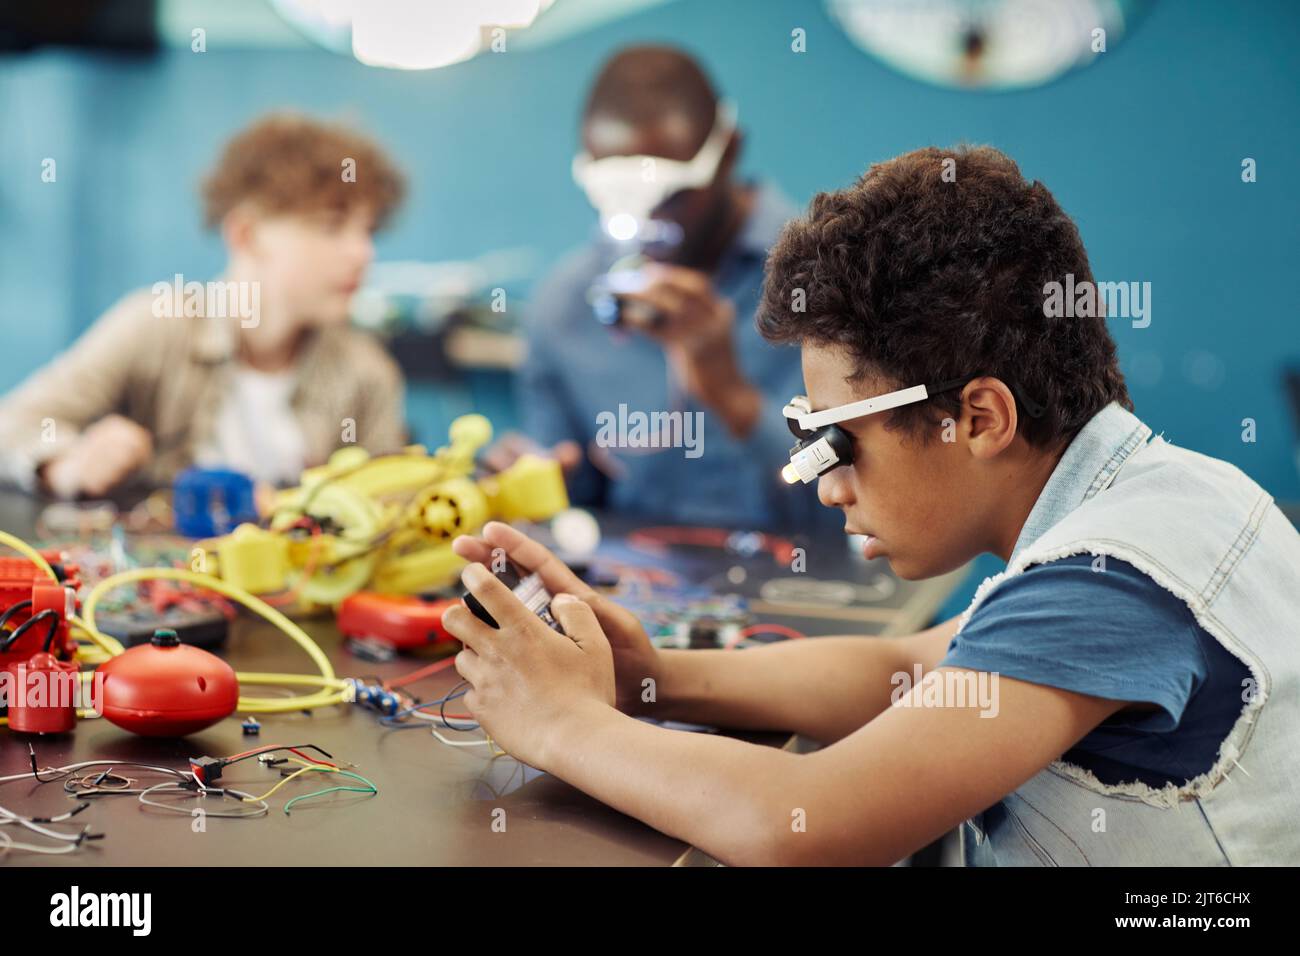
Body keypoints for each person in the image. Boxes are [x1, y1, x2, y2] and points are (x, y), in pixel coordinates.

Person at [441, 146, 1300, 865]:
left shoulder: (1110, 582)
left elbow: (802, 822)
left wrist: (561, 724)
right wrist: (655, 679)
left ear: (978, 418)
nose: (826, 484)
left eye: (837, 440)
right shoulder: (1174, 496)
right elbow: (918, 676)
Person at [0, 113, 408, 497]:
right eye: (331, 225)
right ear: (247, 234)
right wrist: (64, 464)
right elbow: (11, 423)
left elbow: (389, 510)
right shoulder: (154, 325)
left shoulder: (367, 373)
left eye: (368, 230)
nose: (363, 253)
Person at [502, 45, 826, 530]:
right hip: (638, 594)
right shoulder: (565, 306)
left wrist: (730, 394)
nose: (646, 221)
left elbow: (860, 498)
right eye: (616, 197)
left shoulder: (830, 277)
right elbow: (576, 504)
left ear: (729, 150)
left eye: (671, 195)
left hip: (818, 589)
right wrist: (535, 484)